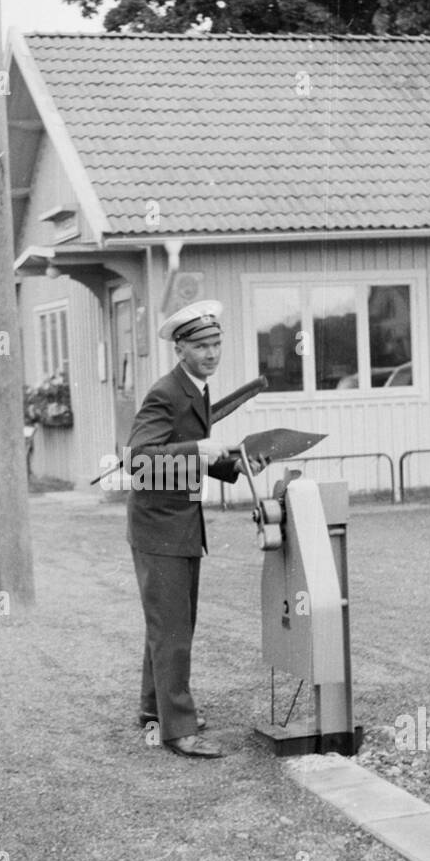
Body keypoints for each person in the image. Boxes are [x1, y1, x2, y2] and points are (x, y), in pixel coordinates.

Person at [125, 299, 267, 760]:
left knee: (170, 625)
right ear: (180, 350)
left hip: (179, 523)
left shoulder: (197, 388)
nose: (211, 353)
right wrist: (205, 448)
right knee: (173, 630)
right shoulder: (166, 392)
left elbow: (186, 457)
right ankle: (178, 730)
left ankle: (156, 709)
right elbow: (140, 460)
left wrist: (236, 466)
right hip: (159, 526)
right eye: (201, 345)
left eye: (217, 343)